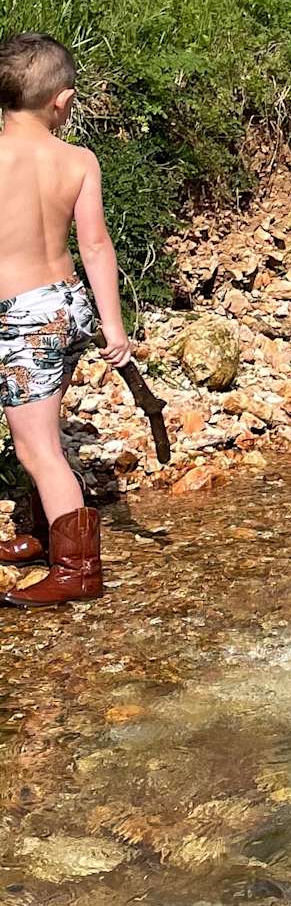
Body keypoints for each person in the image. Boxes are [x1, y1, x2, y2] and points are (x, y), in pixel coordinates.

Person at [0, 34, 133, 608]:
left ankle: (78, 570)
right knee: (38, 429)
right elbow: (97, 246)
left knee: (37, 448)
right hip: (64, 305)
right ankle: (40, 536)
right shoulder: (78, 160)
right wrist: (113, 327)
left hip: (20, 315)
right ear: (63, 101)